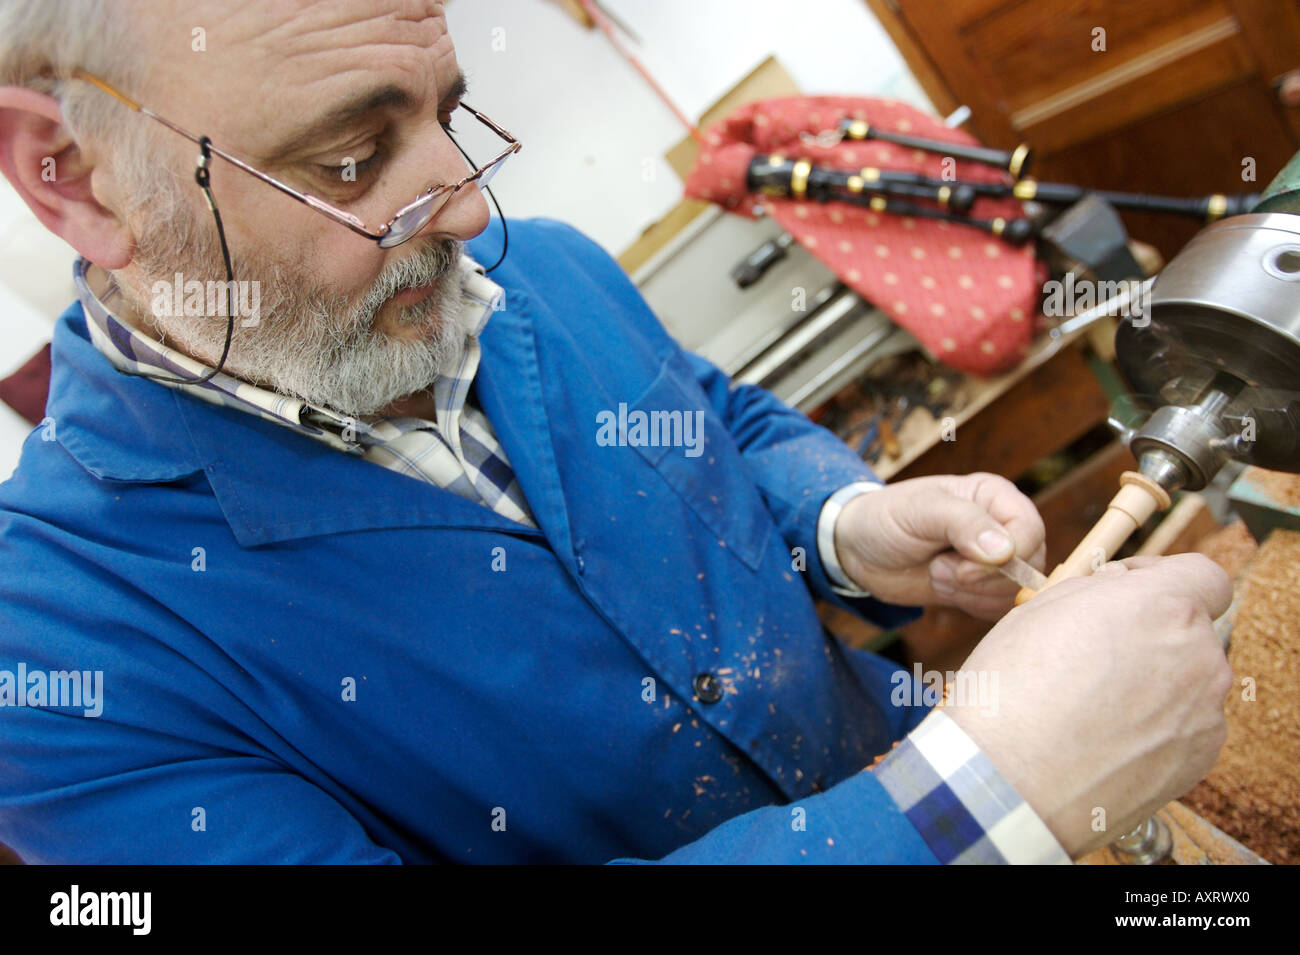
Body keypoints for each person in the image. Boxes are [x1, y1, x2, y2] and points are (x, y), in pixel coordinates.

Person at [0, 0, 1232, 864]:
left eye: (444, 116)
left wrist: (850, 528)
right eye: (351, 155)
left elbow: (720, 423)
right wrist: (979, 794)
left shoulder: (532, 270)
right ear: (72, 173)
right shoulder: (54, 658)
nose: (470, 204)